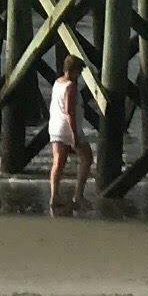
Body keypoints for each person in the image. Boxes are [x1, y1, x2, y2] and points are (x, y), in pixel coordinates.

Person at [44, 50, 91, 214]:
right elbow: (70, 111)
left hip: (55, 127)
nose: (80, 75)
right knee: (87, 158)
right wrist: (75, 135)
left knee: (58, 162)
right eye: (79, 71)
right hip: (68, 128)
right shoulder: (71, 86)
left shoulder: (58, 82)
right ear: (73, 70)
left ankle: (54, 196)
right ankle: (78, 195)